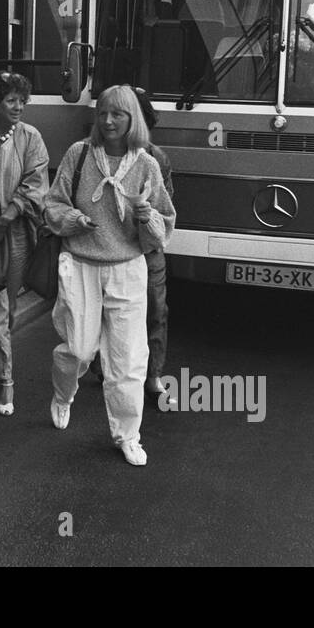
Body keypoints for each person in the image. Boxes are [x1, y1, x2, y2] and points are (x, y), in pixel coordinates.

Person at [44, 84, 174, 467]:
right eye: (102, 113)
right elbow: (53, 203)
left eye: (118, 113)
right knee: (79, 349)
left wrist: (146, 217)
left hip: (127, 268)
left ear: (133, 118)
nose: (108, 120)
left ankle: (127, 434)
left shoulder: (147, 164)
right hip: (81, 263)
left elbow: (163, 230)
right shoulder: (79, 154)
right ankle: (63, 392)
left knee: (128, 359)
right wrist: (72, 219)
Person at [0, 71, 49, 416]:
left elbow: (37, 181)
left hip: (16, 234)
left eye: (22, 100)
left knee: (7, 305)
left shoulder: (30, 137)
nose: (19, 107)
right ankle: (5, 379)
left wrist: (9, 215)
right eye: (11, 100)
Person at [134, 86, 176, 406]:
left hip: (149, 251)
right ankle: (103, 365)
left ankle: (153, 375)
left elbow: (167, 209)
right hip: (116, 249)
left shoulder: (157, 159)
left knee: (155, 311)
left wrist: (150, 219)